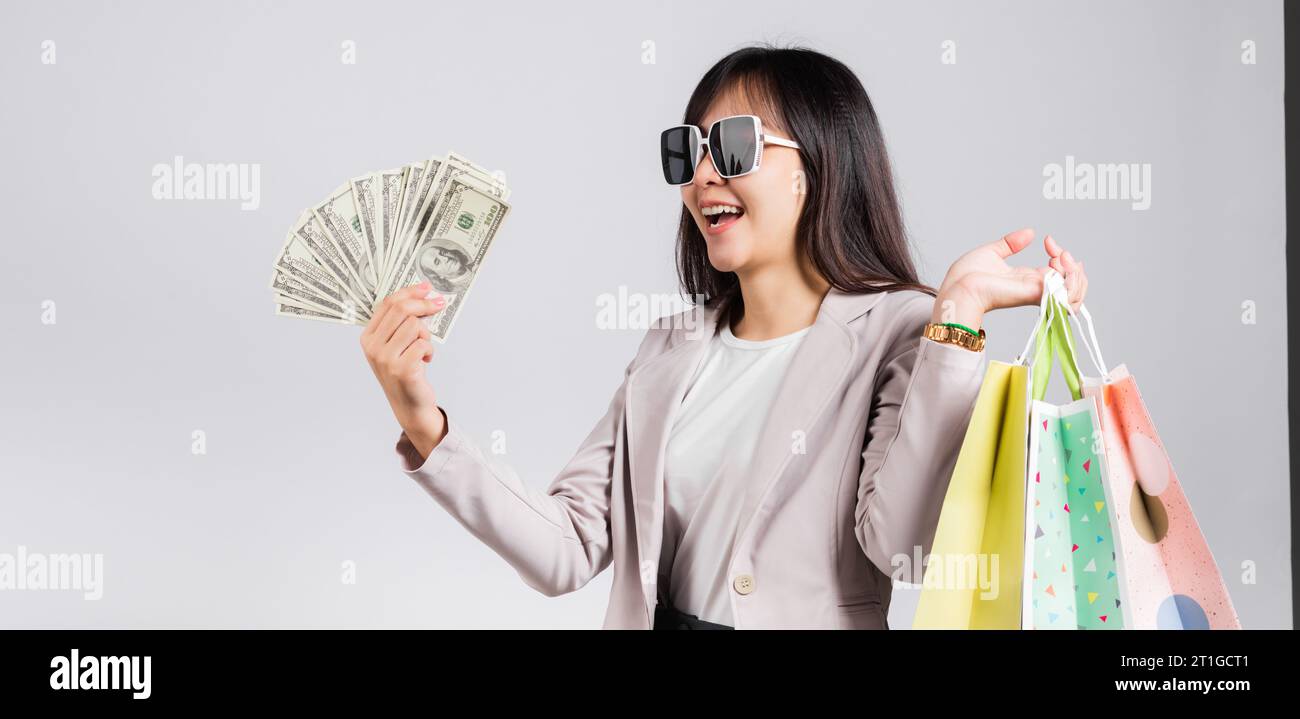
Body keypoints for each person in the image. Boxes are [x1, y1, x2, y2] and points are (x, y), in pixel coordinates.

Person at [359, 44, 1088, 629]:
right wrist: (424, 422)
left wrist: (955, 320)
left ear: (817, 166)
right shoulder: (670, 345)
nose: (703, 174)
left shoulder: (900, 330)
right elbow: (567, 549)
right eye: (689, 151)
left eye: (735, 146)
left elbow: (903, 547)